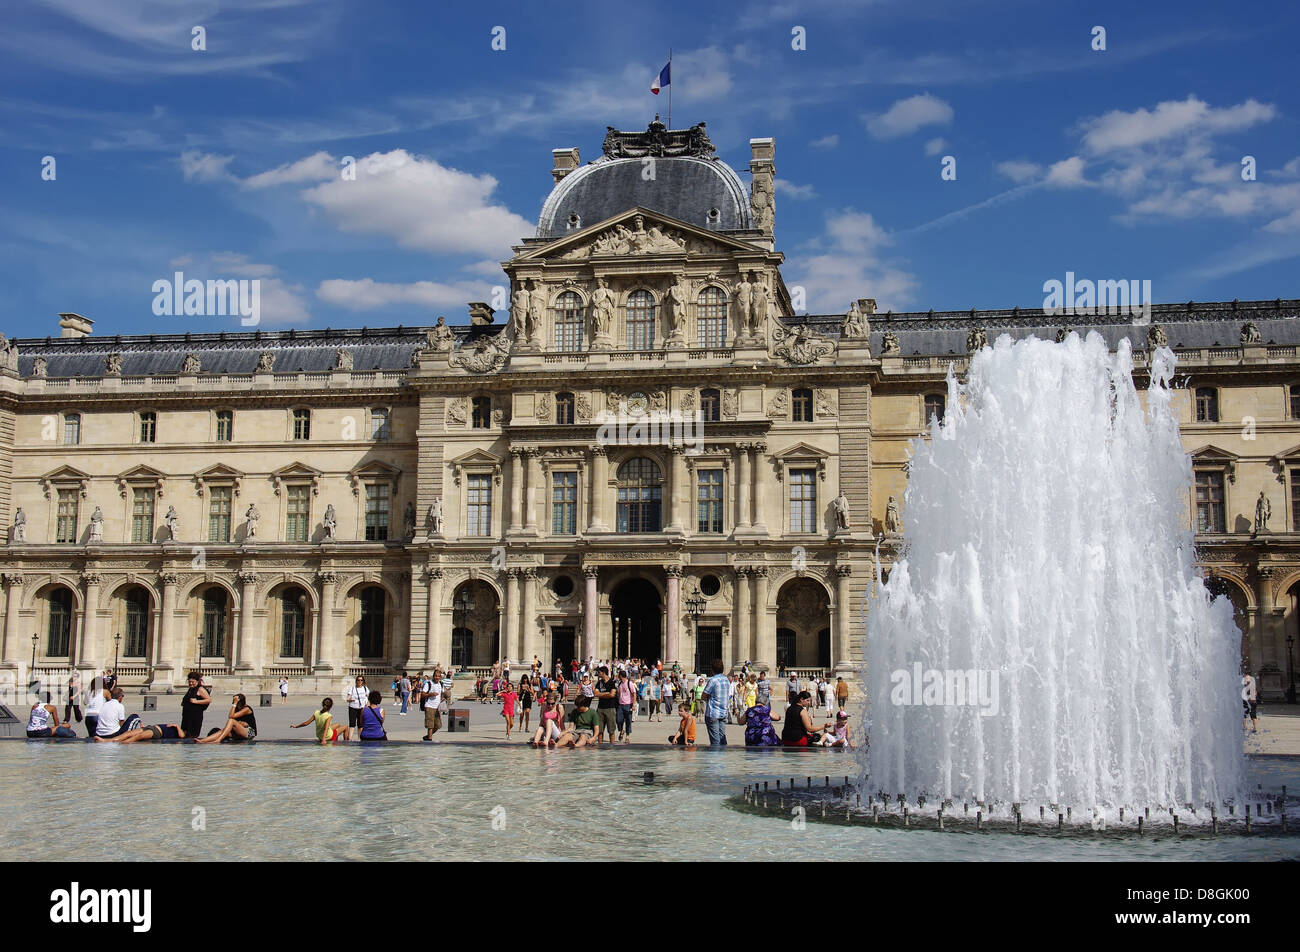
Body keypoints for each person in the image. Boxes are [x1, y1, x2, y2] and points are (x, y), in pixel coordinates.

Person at [702, 659, 731, 747]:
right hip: (723, 712)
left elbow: (703, 696)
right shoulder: (726, 680)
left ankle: (715, 759)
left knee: (715, 741)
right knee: (722, 739)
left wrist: (709, 697)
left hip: (713, 712)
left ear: (712, 669)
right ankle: (722, 758)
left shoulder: (713, 680)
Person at [593, 665, 618, 745]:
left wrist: (601, 694)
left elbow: (612, 695)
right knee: (599, 730)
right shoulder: (599, 683)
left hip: (610, 708)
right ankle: (600, 745)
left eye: (599, 672)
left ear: (603, 673)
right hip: (600, 708)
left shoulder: (612, 682)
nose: (598, 674)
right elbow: (595, 693)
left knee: (611, 730)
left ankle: (612, 745)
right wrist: (606, 693)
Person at [615, 668, 636, 743]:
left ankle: (627, 736)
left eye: (618, 675)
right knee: (618, 720)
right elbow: (618, 693)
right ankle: (621, 730)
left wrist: (633, 704)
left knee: (628, 721)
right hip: (620, 704)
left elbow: (634, 693)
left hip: (628, 704)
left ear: (621, 676)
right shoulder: (620, 684)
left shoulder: (629, 683)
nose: (618, 677)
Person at [113, 722, 188, 743]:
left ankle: (122, 743)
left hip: (157, 732)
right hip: (152, 727)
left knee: (138, 736)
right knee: (128, 733)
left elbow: (182, 736)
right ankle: (108, 740)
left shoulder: (181, 732)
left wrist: (176, 726)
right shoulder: (177, 730)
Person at [84, 674, 107, 738]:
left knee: (91, 736)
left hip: (88, 716)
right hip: (97, 715)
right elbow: (111, 702)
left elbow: (85, 702)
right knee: (97, 737)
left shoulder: (89, 691)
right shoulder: (105, 691)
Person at [422, 675, 443, 741]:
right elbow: (422, 694)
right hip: (429, 706)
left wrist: (442, 698)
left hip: (437, 707)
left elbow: (441, 693)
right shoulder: (428, 683)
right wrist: (430, 694)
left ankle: (427, 737)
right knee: (430, 725)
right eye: (436, 676)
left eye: (438, 676)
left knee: (438, 725)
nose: (437, 677)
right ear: (433, 676)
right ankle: (430, 740)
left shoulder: (441, 684)